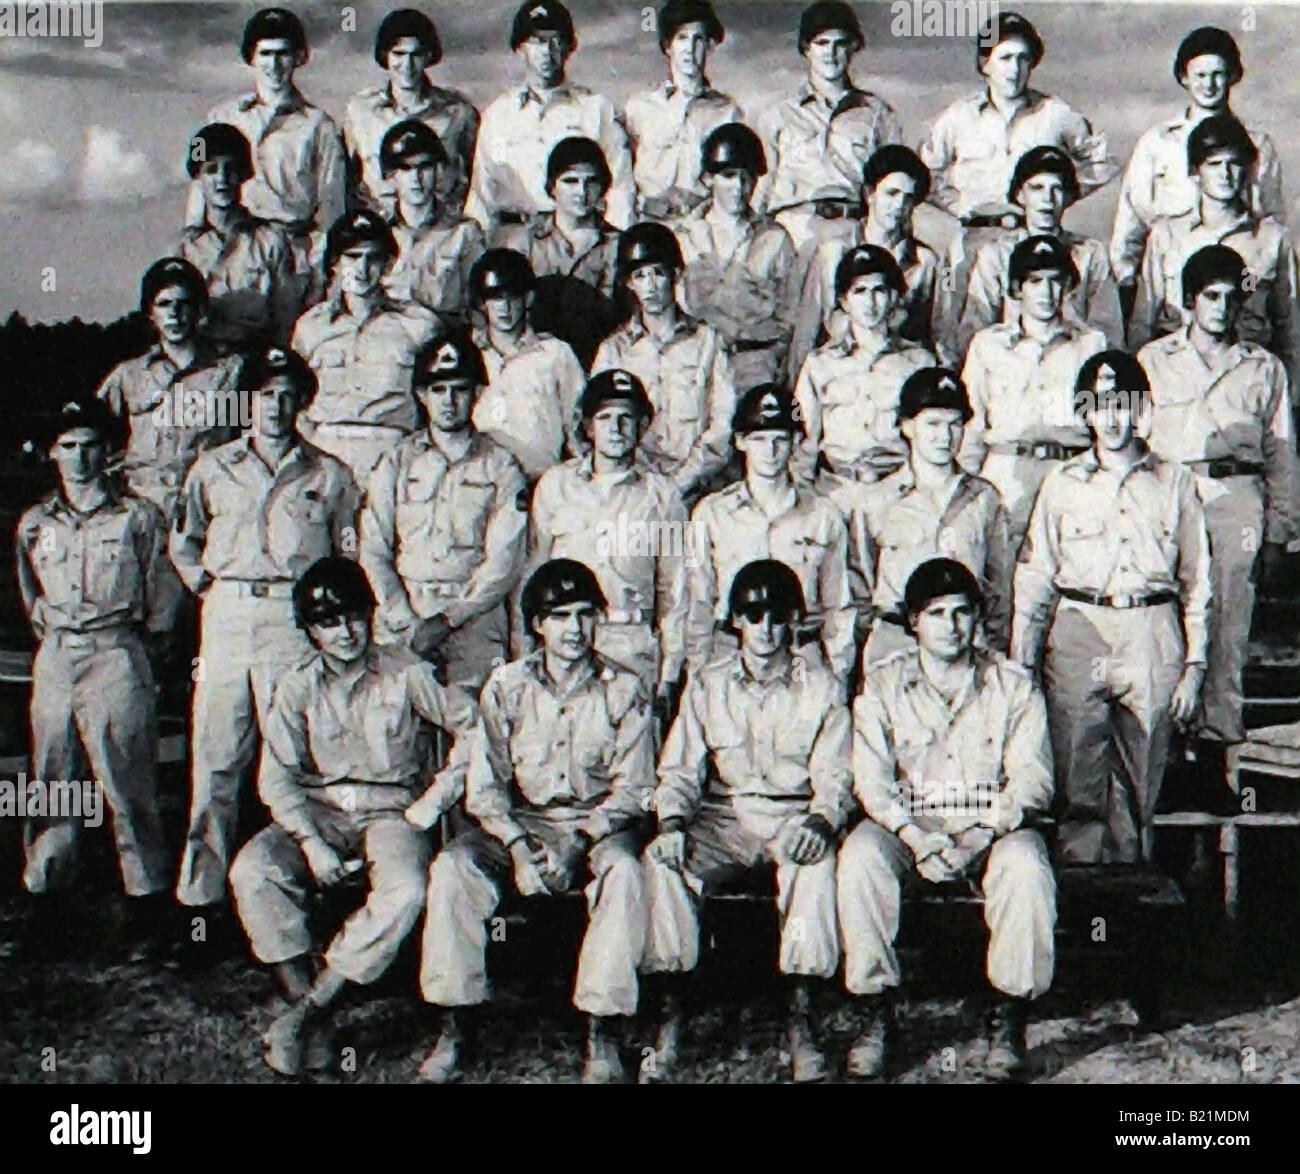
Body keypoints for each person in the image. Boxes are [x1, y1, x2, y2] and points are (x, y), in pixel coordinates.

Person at [232, 557, 476, 1077]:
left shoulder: (407, 673)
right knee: (253, 872)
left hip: (390, 812)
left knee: (407, 889)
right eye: (327, 622)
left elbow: (475, 728)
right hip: (318, 813)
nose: (344, 632)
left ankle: (305, 1015)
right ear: (310, 632)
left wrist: (432, 802)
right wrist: (311, 843)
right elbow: (276, 778)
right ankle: (316, 1017)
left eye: (354, 617)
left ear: (370, 616)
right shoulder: (296, 686)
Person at [418, 559, 653, 1084]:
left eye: (587, 614)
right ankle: (455, 1022)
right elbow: (484, 789)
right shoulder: (506, 686)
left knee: (624, 875)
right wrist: (520, 848)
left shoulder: (624, 687)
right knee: (452, 868)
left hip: (596, 826)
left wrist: (579, 842)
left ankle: (603, 1028)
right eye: (560, 616)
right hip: (520, 823)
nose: (575, 629)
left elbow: (634, 789)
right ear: (537, 626)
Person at [837, 558, 1055, 1082]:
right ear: (913, 621)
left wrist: (982, 833)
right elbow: (871, 780)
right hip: (909, 825)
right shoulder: (884, 685)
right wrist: (917, 837)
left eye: (962, 613)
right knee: (860, 858)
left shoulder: (1011, 683)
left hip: (987, 823)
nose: (952, 627)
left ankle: (1007, 1015)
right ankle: (876, 1010)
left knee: (1026, 867)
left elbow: (1033, 779)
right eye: (936, 614)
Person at [642, 559, 852, 1084]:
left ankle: (802, 1017)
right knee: (664, 866)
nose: (764, 628)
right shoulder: (708, 685)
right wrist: (671, 826)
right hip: (721, 816)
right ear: (734, 619)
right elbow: (679, 770)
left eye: (776, 615)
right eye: (752, 614)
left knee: (815, 870)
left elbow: (836, 778)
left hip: (790, 816)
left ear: (794, 621)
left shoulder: (821, 687)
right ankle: (671, 1016)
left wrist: (821, 821)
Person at [169, 345, 359, 909]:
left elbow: (347, 552)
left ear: (301, 402)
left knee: (297, 756)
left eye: (284, 395)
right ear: (245, 401)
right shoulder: (212, 468)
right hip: (228, 616)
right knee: (216, 760)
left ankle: (303, 887)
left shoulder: (329, 474)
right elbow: (184, 542)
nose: (273, 407)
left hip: (294, 622)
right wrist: (211, 590)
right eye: (262, 394)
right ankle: (200, 902)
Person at [1012, 351, 1211, 865]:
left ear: (1141, 408)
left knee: (1141, 775)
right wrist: (1023, 660)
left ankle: (1127, 890)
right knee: (1078, 769)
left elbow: (1198, 581)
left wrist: (1194, 666)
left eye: (1124, 404)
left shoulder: (1175, 482)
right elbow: (1035, 578)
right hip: (1080, 630)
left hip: (1150, 630)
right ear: (1084, 412)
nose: (1113, 418)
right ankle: (1081, 892)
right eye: (1100, 406)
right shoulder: (1060, 484)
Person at [14, 398, 177, 950]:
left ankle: (147, 910)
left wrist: (140, 654)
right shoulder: (35, 523)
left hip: (117, 650)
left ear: (107, 452)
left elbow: (162, 597)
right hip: (59, 654)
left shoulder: (138, 517)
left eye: (90, 446)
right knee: (51, 782)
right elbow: (30, 596)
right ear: (53, 455)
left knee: (127, 782)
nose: (80, 459)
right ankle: (47, 900)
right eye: (68, 447)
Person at [1137, 245, 1298, 750]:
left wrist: (1279, 532)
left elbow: (1281, 451)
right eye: (1211, 296)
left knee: (1229, 622)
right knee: (1168, 615)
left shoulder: (1263, 366)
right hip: (1174, 493)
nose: (1223, 307)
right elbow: (1137, 439)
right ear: (1189, 300)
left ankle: (1218, 746)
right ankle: (1163, 743)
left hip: (1236, 495)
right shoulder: (1153, 360)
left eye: (1232, 297)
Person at [359, 331, 528, 690]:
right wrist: (407, 621)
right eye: (437, 390)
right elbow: (374, 548)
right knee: (399, 736)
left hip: (473, 619)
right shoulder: (397, 462)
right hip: (405, 615)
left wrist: (449, 619)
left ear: (477, 394)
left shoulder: (501, 465)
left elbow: (505, 560)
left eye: (459, 389)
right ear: (421, 396)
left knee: (475, 733)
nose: (448, 401)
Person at [919, 12, 1114, 310]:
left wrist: (1058, 194)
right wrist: (960, 206)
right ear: (985, 64)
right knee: (958, 317)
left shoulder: (1055, 114)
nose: (1015, 69)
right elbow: (925, 172)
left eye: (1023, 59)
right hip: (974, 238)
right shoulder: (958, 117)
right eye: (1005, 58)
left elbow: (1103, 161)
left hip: (1035, 241)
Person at [828, 367, 1012, 670]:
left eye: (954, 424)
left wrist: (990, 652)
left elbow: (998, 591)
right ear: (907, 426)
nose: (945, 436)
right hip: (895, 649)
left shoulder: (983, 498)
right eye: (933, 424)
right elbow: (857, 588)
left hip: (963, 650)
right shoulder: (877, 501)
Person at [528, 369, 689, 707]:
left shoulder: (663, 496)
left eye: (626, 418)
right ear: (588, 426)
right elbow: (532, 575)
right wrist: (526, 651)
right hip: (563, 647)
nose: (615, 429)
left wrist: (670, 673)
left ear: (642, 426)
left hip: (630, 646)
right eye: (604, 417)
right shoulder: (556, 487)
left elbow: (673, 590)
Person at [687, 385, 855, 692]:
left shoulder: (823, 515)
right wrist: (697, 671)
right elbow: (698, 601)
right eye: (759, 440)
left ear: (794, 443)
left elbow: (837, 606)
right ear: (740, 442)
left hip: (802, 655)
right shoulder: (712, 513)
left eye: (780, 439)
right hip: (732, 655)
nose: (771, 451)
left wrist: (838, 674)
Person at [1110, 26, 1285, 297]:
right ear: (1184, 78)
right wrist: (1126, 279)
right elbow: (1131, 218)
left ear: (1233, 76)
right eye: (1200, 75)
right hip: (1170, 273)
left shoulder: (1257, 145)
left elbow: (1270, 219)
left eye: (1218, 74)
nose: (1209, 85)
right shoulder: (1156, 143)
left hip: (1238, 274)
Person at [1129, 113, 1300, 385]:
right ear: (1196, 171)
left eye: (1234, 164)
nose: (1224, 174)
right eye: (1214, 164)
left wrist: (1292, 397)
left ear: (1248, 170)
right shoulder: (1166, 235)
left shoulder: (1271, 239)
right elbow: (1143, 322)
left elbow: (1289, 326)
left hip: (1249, 377)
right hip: (1176, 378)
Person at [959, 234, 1106, 547]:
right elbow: (973, 423)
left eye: (1055, 281)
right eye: (1035, 281)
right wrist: (965, 485)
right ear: (1017, 289)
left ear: (1068, 286)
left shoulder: (1091, 344)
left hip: (1069, 471)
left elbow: (1104, 424)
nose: (1046, 292)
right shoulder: (988, 345)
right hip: (1006, 472)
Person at [186, 8, 345, 294]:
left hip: (294, 256)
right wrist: (193, 239)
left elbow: (330, 207)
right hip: (228, 251)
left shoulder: (320, 126)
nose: (274, 64)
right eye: (265, 53)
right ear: (251, 58)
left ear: (298, 57)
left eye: (282, 53)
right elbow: (198, 181)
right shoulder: (219, 117)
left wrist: (319, 268)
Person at [290, 209, 440, 484]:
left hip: (391, 451)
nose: (361, 269)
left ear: (387, 265)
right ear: (334, 263)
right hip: (325, 449)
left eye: (372, 258)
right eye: (353, 257)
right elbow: (294, 400)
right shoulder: (311, 328)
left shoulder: (417, 326)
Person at [465, 0, 634, 242]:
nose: (547, 51)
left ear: (569, 47)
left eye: (556, 40)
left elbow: (620, 187)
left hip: (578, 238)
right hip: (514, 240)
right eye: (537, 41)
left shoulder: (596, 110)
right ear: (520, 48)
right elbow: (482, 195)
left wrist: (617, 245)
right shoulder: (498, 115)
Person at [591, 223, 737, 502]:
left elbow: (721, 426)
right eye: (640, 275)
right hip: (632, 488)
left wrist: (680, 483)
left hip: (697, 488)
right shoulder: (613, 350)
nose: (650, 286)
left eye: (658, 273)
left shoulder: (707, 342)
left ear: (676, 274)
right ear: (629, 283)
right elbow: (599, 425)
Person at [96, 258, 243, 521]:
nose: (174, 313)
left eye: (183, 303)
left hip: (209, 502)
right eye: (163, 304)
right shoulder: (128, 375)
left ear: (199, 311)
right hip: (141, 505)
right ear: (150, 314)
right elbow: (93, 434)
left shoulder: (231, 372)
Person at [756, 2, 904, 258]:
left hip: (855, 229)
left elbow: (894, 185)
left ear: (853, 47)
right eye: (822, 43)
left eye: (840, 44)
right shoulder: (778, 116)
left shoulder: (878, 114)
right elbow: (761, 189)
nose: (831, 53)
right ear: (806, 49)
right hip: (792, 232)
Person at [792, 145, 953, 377]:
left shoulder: (927, 261)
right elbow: (808, 328)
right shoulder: (832, 253)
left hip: (899, 372)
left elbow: (942, 331)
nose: (899, 206)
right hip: (841, 374)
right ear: (870, 194)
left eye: (908, 198)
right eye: (892, 193)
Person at [956, 146, 1122, 356]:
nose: (1048, 198)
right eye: (1037, 188)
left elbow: (1108, 329)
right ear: (1020, 195)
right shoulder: (997, 254)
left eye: (1057, 188)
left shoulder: (1090, 253)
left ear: (1069, 196)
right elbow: (975, 327)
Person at [792, 244, 935, 485]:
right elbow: (805, 442)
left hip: (898, 487)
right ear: (844, 301)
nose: (870, 301)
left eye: (879, 290)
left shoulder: (918, 363)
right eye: (859, 291)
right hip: (836, 486)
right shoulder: (820, 364)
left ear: (892, 297)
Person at [675, 123, 799, 389]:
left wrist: (773, 358)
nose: (739, 187)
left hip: (756, 361)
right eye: (729, 176)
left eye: (747, 177)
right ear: (709, 179)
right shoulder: (684, 236)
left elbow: (791, 312)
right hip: (694, 363)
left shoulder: (775, 239)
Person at [342, 8, 479, 218]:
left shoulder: (458, 112)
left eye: (416, 55)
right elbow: (346, 180)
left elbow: (475, 178)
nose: (407, 65)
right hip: (378, 230)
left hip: (439, 230)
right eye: (399, 54)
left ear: (429, 56)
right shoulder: (360, 111)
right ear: (384, 55)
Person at [499, 136, 622, 368]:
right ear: (552, 186)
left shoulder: (617, 245)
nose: (581, 192)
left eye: (591, 181)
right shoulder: (525, 242)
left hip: (597, 358)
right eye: (570, 181)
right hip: (533, 358)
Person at [467, 248, 585, 480]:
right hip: (478, 480)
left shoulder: (555, 354)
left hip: (539, 478)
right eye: (495, 297)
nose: (504, 306)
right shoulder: (466, 352)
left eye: (512, 296)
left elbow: (578, 425)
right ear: (482, 303)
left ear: (528, 298)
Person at [180, 123, 300, 347]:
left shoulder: (270, 241)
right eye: (211, 169)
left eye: (231, 169)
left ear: (244, 174)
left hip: (255, 359)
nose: (222, 178)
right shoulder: (183, 249)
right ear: (198, 177)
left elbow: (286, 317)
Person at [624, 0, 741, 222]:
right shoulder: (639, 107)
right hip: (647, 222)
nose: (689, 48)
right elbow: (622, 176)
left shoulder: (727, 112)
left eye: (698, 39)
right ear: (668, 46)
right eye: (682, 38)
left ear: (709, 46)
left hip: (701, 226)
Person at [377, 120, 486, 320]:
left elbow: (477, 306)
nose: (416, 178)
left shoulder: (464, 233)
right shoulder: (375, 232)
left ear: (438, 171)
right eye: (405, 168)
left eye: (424, 167)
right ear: (390, 176)